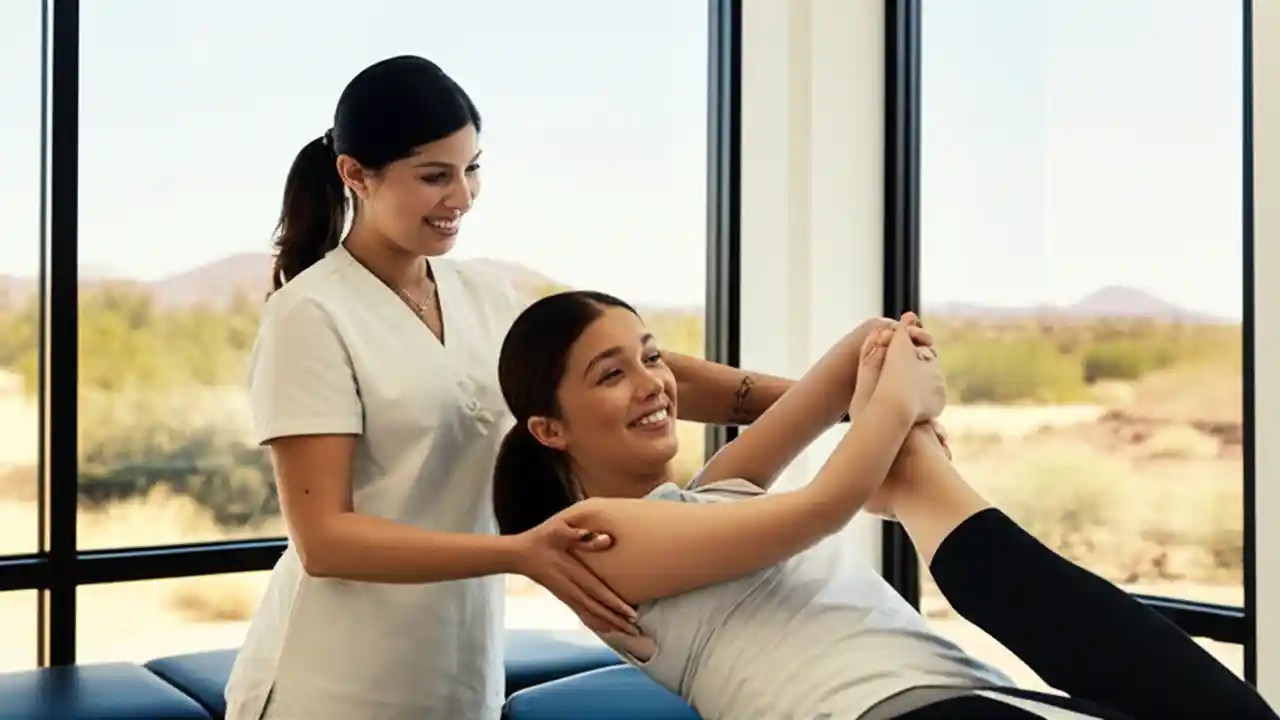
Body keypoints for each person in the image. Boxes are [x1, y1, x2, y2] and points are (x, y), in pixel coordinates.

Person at [223, 55, 804, 720]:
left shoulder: (484, 296)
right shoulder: (310, 315)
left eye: (472, 168)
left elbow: (633, 375)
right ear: (355, 174)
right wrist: (521, 553)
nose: (463, 196)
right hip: (330, 685)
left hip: (458, 675)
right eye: (434, 176)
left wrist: (835, 399)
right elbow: (325, 540)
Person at [492, 291, 1278, 720]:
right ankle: (918, 480)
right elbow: (822, 508)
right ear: (549, 430)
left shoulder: (711, 499)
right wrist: (894, 414)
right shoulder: (599, 539)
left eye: (653, 355)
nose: (654, 383)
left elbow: (833, 374)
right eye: (610, 374)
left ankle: (916, 479)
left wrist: (888, 361)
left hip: (963, 691)